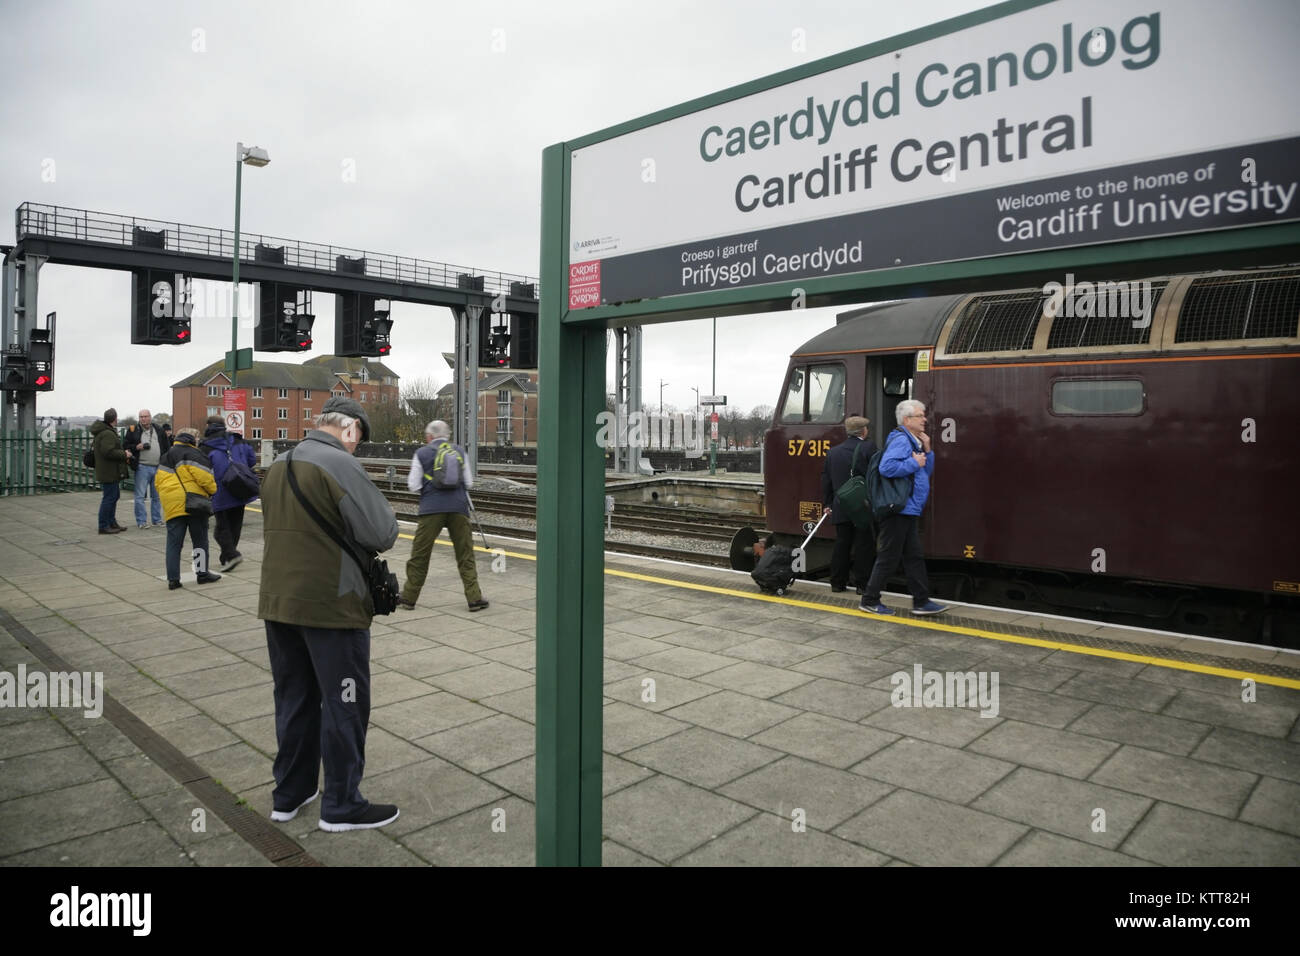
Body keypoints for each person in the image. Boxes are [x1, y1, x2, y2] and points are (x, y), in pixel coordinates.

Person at [259, 396, 400, 831]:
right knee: (345, 703)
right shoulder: (338, 464)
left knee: (295, 699)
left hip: (280, 602)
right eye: (360, 438)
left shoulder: (280, 463)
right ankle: (341, 804)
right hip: (331, 606)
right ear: (351, 428)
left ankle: (290, 793)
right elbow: (383, 531)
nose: (358, 446)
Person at [858, 399, 947, 616]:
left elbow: (923, 473)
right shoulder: (901, 440)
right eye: (920, 416)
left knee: (913, 557)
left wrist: (927, 451)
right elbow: (887, 467)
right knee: (889, 556)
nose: (925, 419)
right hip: (899, 509)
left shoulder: (913, 441)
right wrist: (914, 463)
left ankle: (921, 601)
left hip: (908, 509)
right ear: (907, 420)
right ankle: (870, 599)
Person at [399, 420, 488, 613]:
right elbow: (469, 483)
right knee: (465, 555)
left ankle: (408, 598)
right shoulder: (459, 452)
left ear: (430, 436)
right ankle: (474, 599)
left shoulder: (421, 453)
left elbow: (413, 485)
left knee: (420, 555)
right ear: (447, 435)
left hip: (431, 510)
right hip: (458, 508)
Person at [156, 428, 222, 589]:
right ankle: (202, 574)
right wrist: (213, 490)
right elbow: (205, 479)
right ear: (193, 439)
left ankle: (173, 580)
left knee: (174, 543)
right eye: (197, 437)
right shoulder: (195, 454)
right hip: (195, 502)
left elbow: (157, 482)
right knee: (199, 540)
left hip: (173, 504)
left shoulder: (165, 456)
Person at [820, 414, 877, 593]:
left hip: (840, 504)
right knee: (864, 545)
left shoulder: (833, 452)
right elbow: (876, 477)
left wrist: (828, 503)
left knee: (842, 544)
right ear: (863, 431)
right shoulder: (869, 448)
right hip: (862, 506)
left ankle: (837, 583)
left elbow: (826, 481)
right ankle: (862, 585)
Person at [201, 415, 258, 572]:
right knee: (235, 524)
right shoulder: (239, 439)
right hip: (240, 486)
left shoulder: (206, 446)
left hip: (220, 490)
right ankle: (226, 556)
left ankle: (232, 555)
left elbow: (203, 469)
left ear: (208, 425)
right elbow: (252, 460)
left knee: (221, 528)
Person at [123, 408, 171, 528]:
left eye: (145, 416)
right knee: (139, 496)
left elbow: (166, 447)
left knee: (157, 496)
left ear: (150, 417)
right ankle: (141, 522)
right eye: (141, 417)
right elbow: (125, 446)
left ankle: (157, 520)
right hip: (142, 466)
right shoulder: (133, 430)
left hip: (157, 467)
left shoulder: (159, 430)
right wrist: (136, 447)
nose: (143, 419)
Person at [91, 408, 129, 534]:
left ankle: (112, 523)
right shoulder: (107, 433)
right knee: (109, 498)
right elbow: (108, 451)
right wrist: (124, 454)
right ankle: (104, 525)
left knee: (113, 496)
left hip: (109, 470)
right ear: (115, 419)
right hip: (109, 471)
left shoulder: (104, 431)